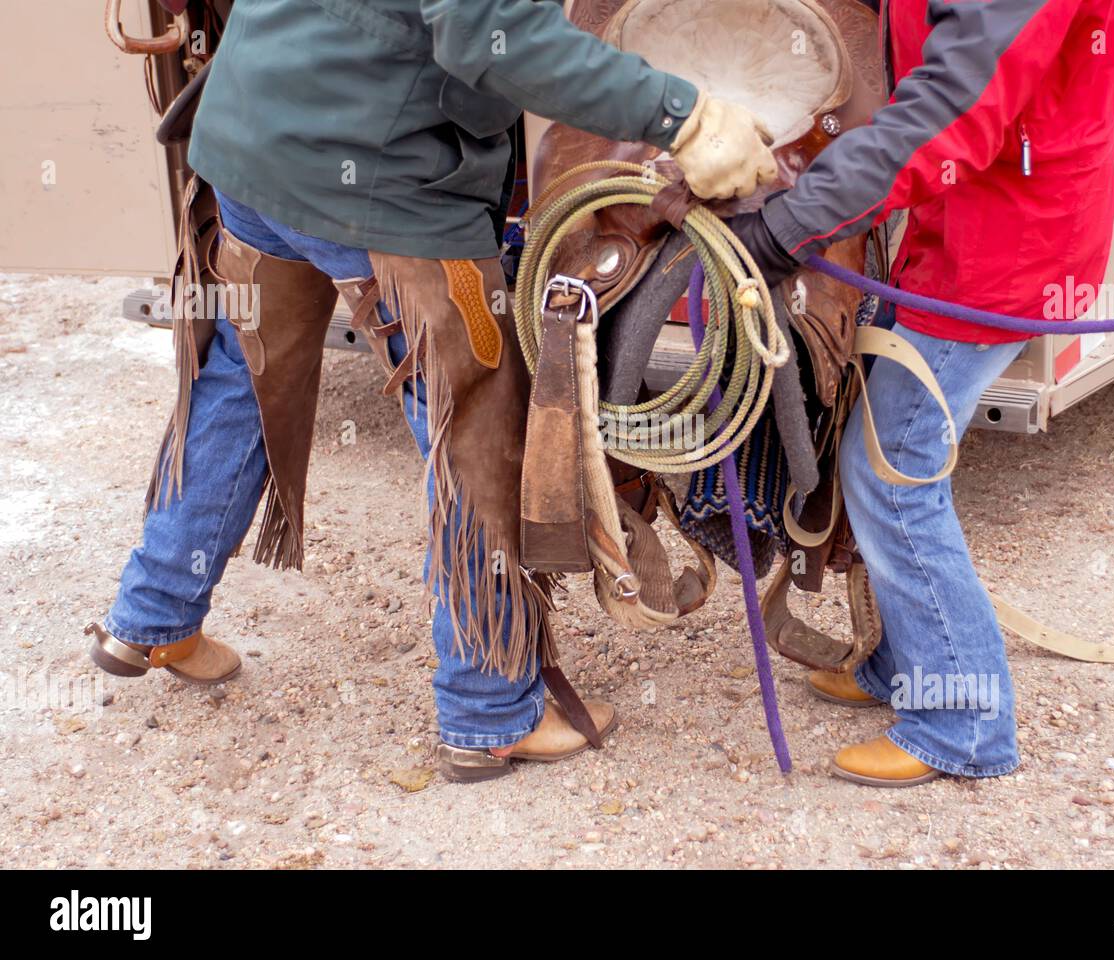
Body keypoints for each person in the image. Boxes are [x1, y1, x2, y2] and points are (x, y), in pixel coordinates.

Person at [87, 0, 776, 783]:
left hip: (254, 137)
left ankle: (153, 615)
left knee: (244, 378)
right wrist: (683, 116)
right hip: (377, 183)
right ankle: (490, 712)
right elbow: (497, 35)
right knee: (471, 426)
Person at [731, 0, 1114, 786]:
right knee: (881, 451)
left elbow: (955, 108)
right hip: (965, 223)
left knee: (894, 476)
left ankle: (963, 722)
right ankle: (904, 669)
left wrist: (792, 223)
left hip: (1004, 246)